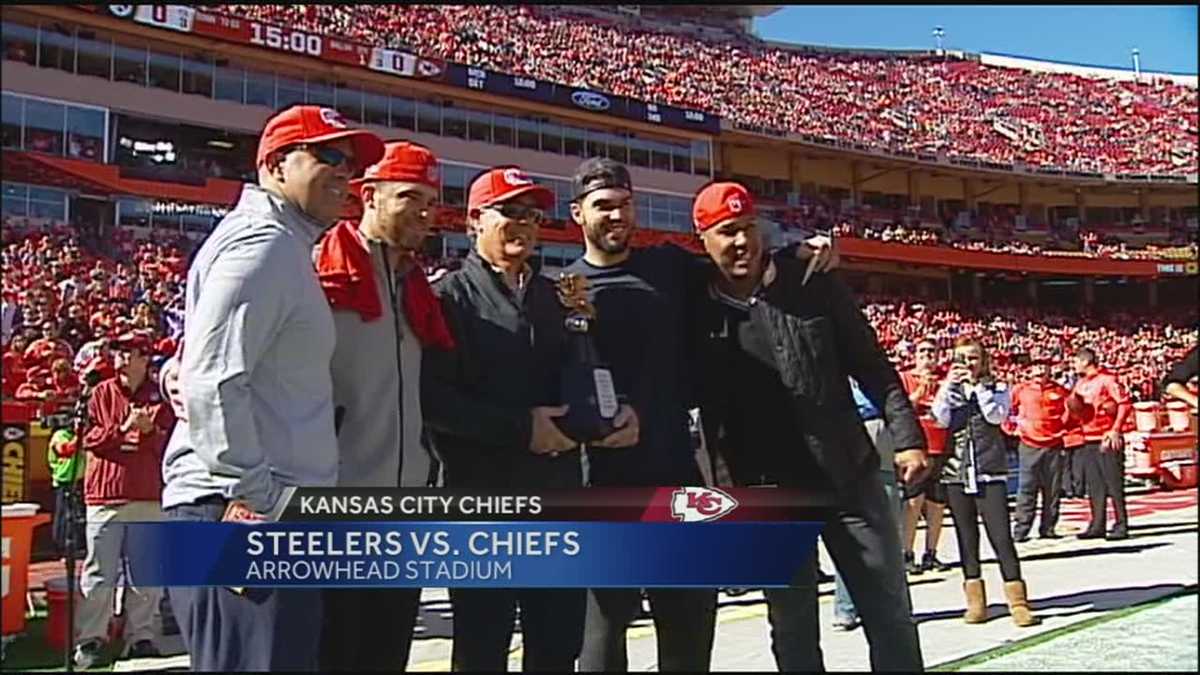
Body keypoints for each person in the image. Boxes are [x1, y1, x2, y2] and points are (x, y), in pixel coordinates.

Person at [161, 105, 383, 672]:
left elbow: (208, 363)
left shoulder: (278, 242)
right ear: (277, 165)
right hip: (241, 511)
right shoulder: (262, 244)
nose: (345, 173)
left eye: (351, 163)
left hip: (249, 507)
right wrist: (261, 498)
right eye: (328, 156)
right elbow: (213, 379)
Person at [691, 181, 927, 671]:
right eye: (727, 232)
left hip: (847, 476)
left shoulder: (810, 282)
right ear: (704, 241)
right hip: (766, 492)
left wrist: (907, 439)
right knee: (792, 626)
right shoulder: (694, 305)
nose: (741, 243)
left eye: (749, 229)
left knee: (889, 611)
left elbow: (872, 364)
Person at [421, 166, 586, 671]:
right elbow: (433, 401)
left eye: (532, 215)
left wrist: (602, 415)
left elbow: (576, 379)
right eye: (509, 212)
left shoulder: (557, 298)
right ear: (475, 221)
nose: (523, 225)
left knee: (558, 643)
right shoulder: (446, 298)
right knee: (482, 645)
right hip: (481, 503)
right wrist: (522, 428)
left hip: (556, 498)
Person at [562, 157, 715, 672]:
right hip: (602, 484)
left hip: (675, 471)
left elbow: (738, 262)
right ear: (577, 214)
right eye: (603, 206)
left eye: (624, 204)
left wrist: (799, 248)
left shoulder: (667, 267)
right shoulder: (564, 291)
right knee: (603, 634)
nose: (616, 215)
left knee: (689, 625)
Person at [313, 141, 454, 671]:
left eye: (431, 199)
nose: (424, 211)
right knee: (334, 655)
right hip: (337, 507)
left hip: (406, 509)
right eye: (409, 196)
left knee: (387, 656)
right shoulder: (317, 267)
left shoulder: (417, 284)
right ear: (368, 196)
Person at [73, 332, 175, 667]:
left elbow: (166, 444)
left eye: (128, 352)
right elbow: (90, 439)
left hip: (147, 493)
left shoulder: (159, 397)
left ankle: (141, 636)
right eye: (117, 352)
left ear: (145, 359)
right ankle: (91, 639)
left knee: (145, 572)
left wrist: (147, 432)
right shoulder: (99, 392)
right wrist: (123, 428)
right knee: (99, 571)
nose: (120, 358)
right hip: (105, 496)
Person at [931, 337, 1038, 628]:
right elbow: (939, 419)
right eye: (962, 357)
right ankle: (975, 600)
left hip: (989, 471)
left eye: (973, 357)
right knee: (967, 538)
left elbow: (996, 417)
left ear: (984, 360)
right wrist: (947, 386)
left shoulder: (998, 388)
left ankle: (1017, 600)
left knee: (1001, 537)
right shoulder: (950, 389)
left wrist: (978, 388)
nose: (968, 363)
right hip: (956, 471)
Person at [831, 378, 911, 632]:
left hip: (883, 463)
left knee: (891, 541)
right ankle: (846, 608)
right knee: (852, 542)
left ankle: (897, 607)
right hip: (849, 464)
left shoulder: (875, 380)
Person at [898, 339, 951, 574]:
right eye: (923, 351)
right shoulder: (905, 378)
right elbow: (900, 408)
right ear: (915, 355)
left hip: (942, 446)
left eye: (932, 351)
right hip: (917, 447)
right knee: (913, 501)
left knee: (937, 503)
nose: (928, 355)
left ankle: (931, 553)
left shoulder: (946, 380)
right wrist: (919, 393)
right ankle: (906, 553)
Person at [1068, 347, 1132, 540]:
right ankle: (1097, 524)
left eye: (1076, 361)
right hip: (1088, 436)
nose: (1074, 365)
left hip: (1106, 436)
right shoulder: (1080, 384)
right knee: (1094, 484)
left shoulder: (1107, 380)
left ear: (1085, 361)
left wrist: (1115, 429)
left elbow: (1124, 403)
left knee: (1114, 482)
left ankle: (1121, 523)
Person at [1007, 359, 1071, 541]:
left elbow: (1071, 411)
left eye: (1044, 366)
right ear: (1030, 370)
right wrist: (1013, 429)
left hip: (1054, 444)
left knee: (1052, 489)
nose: (1040, 370)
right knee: (1027, 488)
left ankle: (1048, 528)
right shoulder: (1020, 390)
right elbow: (1007, 412)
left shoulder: (1060, 391)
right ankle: (1021, 530)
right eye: (1037, 366)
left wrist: (1063, 428)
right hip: (1029, 444)